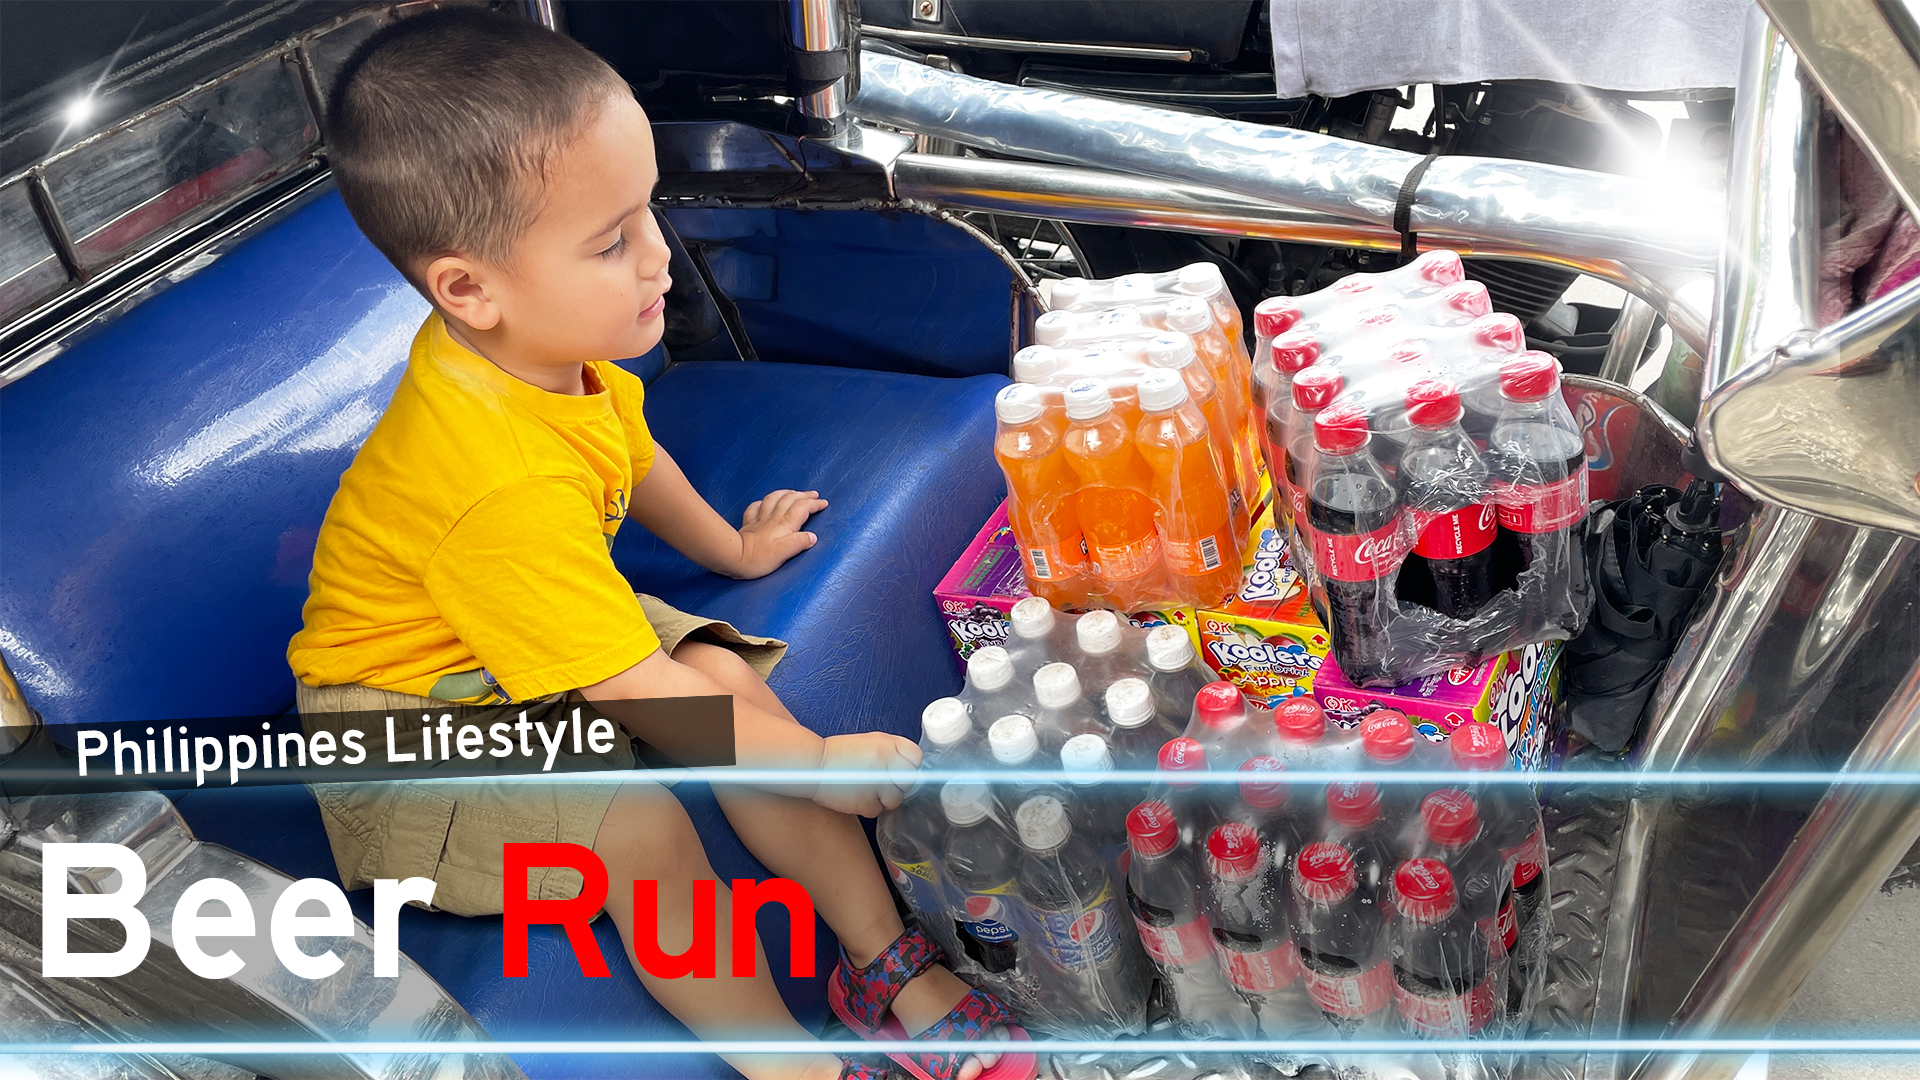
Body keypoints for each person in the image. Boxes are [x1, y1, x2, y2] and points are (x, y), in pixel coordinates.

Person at [285, 10, 1020, 1080]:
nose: (660, 259)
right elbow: (631, 693)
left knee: (724, 671)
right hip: (405, 721)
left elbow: (627, 451)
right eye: (611, 242)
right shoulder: (488, 479)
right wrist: (816, 766)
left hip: (510, 638)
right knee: (634, 827)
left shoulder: (546, 352)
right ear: (468, 288)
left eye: (648, 216)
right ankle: (783, 1060)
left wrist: (730, 551)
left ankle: (882, 965)